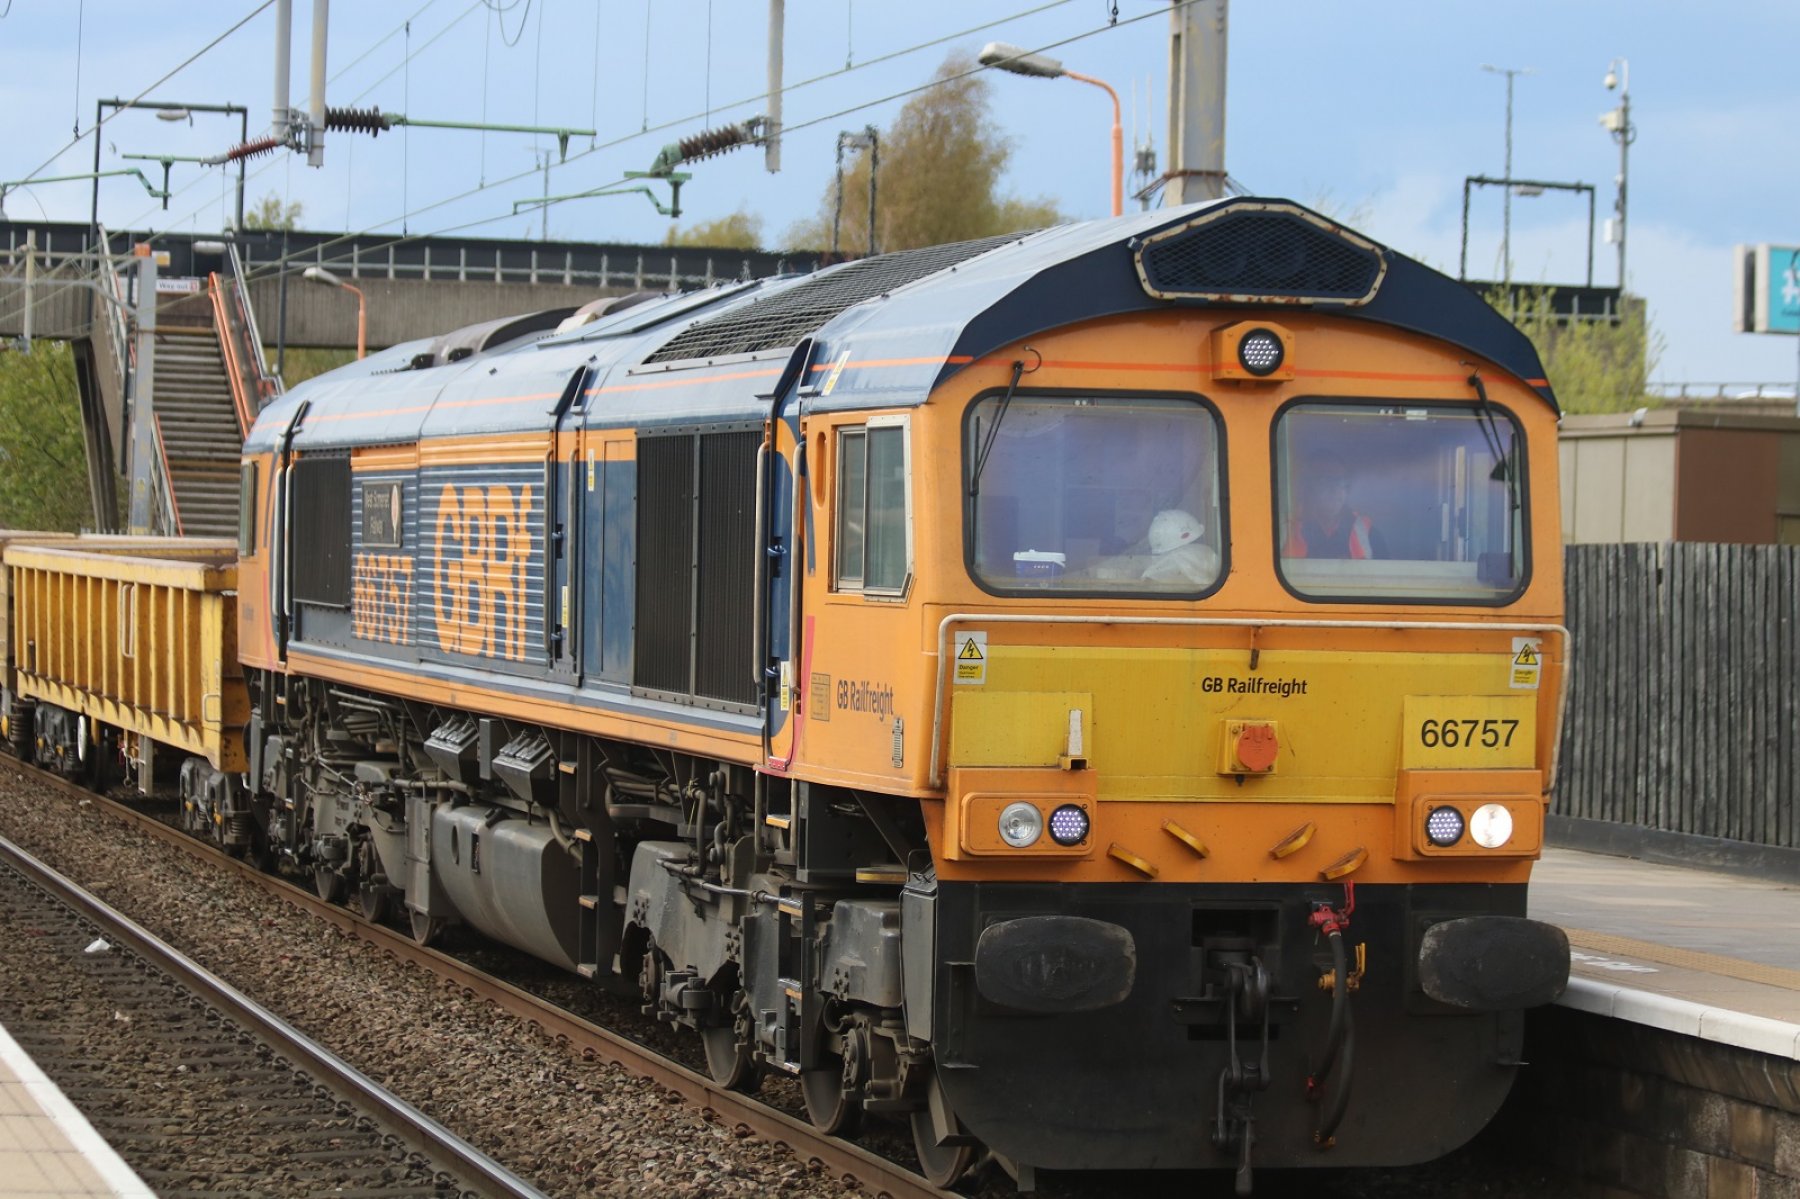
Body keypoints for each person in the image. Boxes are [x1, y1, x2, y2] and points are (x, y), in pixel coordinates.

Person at [1284, 459, 1386, 559]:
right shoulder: (1284, 531)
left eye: (1341, 482)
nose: (1335, 489)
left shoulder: (1370, 536)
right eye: (1324, 481)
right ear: (1308, 489)